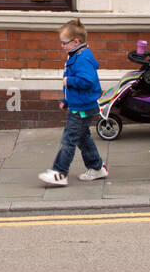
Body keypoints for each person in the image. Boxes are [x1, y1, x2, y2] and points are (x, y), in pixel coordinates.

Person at [38, 19, 108, 187]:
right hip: (80, 105)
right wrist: (66, 100)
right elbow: (79, 88)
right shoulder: (78, 55)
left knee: (69, 140)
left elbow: (87, 81)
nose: (62, 46)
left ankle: (59, 173)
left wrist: (69, 80)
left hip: (83, 108)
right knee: (83, 138)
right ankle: (97, 168)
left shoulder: (81, 58)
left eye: (64, 43)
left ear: (76, 41)